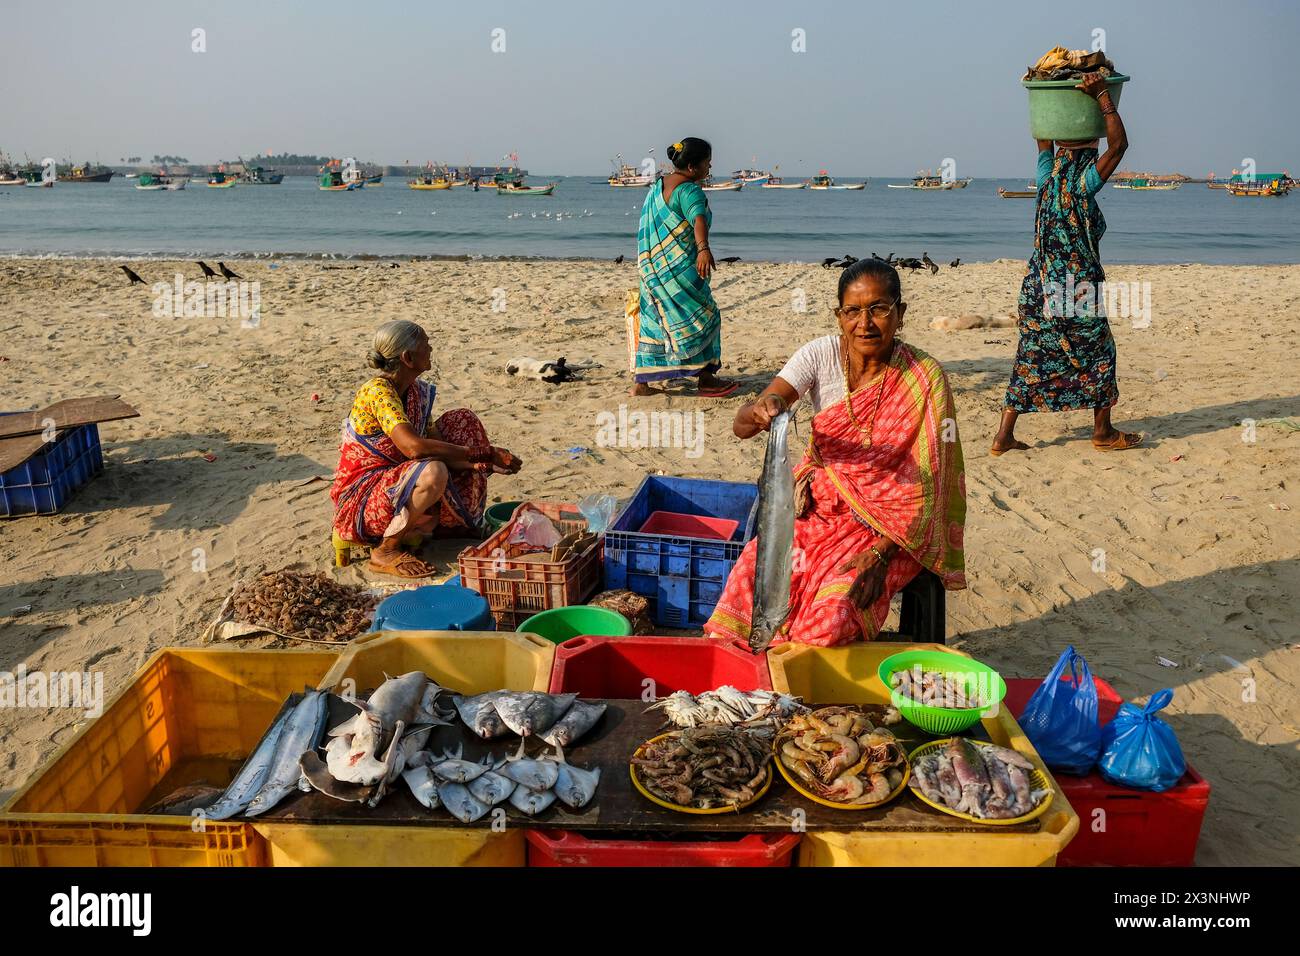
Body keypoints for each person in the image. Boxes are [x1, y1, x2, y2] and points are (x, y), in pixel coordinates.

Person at [704, 259, 966, 647]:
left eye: (878, 309)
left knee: (834, 612)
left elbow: (934, 487)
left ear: (900, 314)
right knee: (748, 577)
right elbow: (743, 424)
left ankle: (800, 675)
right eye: (853, 311)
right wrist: (763, 409)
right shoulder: (819, 355)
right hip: (818, 511)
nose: (866, 323)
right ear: (839, 316)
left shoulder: (925, 377)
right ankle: (757, 674)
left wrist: (879, 556)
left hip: (892, 530)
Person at [993, 71, 1142, 455]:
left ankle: (1003, 436)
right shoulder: (1082, 183)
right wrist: (1103, 98)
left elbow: (1043, 138)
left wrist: (1043, 95)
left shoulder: (1048, 178)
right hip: (1070, 290)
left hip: (1037, 285)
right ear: (1090, 148)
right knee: (1101, 352)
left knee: (1032, 354)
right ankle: (1103, 432)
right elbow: (1121, 145)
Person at [331, 320, 522, 578]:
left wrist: (483, 463)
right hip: (363, 498)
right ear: (407, 357)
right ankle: (385, 550)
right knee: (434, 471)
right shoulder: (377, 392)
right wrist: (482, 453)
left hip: (399, 481)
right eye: (425, 345)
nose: (431, 349)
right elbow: (415, 448)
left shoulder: (416, 393)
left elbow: (438, 446)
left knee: (462, 421)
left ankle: (453, 526)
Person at [629, 137, 737, 398]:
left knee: (654, 322)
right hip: (681, 270)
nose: (709, 169)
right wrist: (703, 248)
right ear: (691, 167)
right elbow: (698, 219)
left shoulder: (657, 188)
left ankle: (642, 384)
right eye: (707, 164)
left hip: (651, 271)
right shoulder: (690, 191)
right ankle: (706, 379)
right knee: (705, 316)